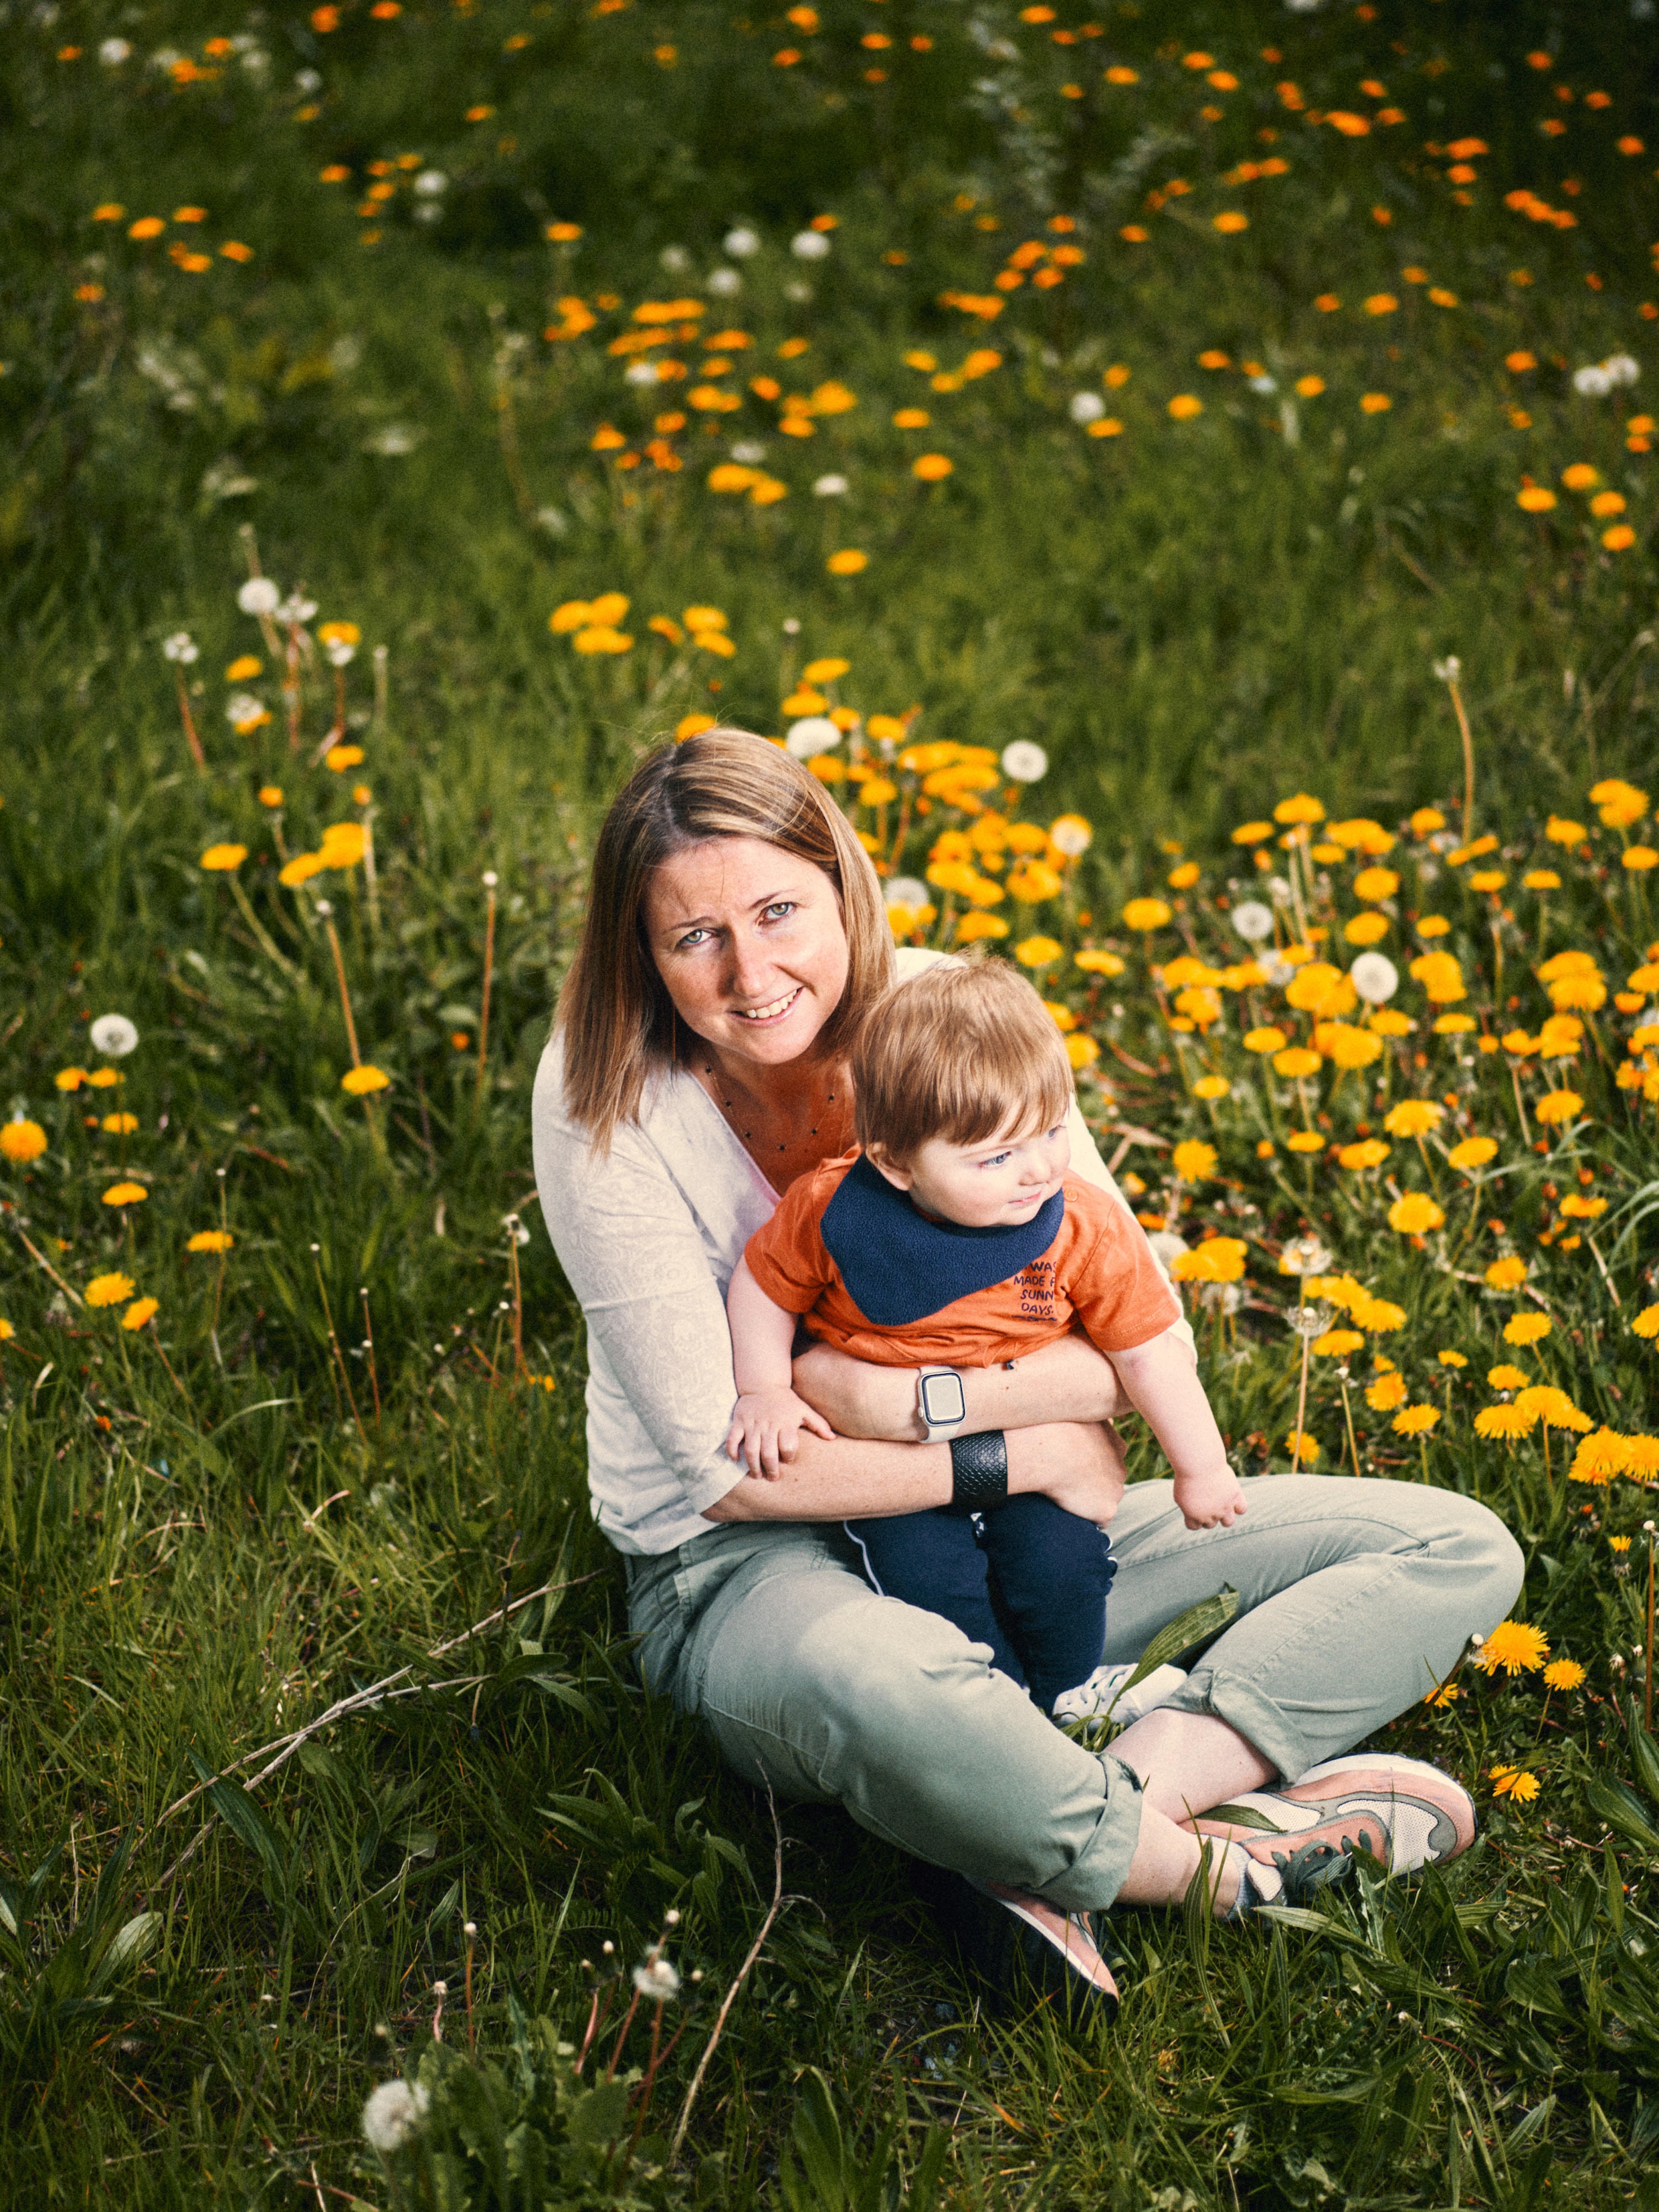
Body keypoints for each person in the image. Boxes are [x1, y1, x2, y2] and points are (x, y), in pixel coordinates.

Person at [533, 727, 1523, 2012]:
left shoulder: (957, 1015)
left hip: (1023, 1528)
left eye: (779, 910)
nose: (752, 970)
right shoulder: (605, 1097)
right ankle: (1223, 1868)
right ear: (643, 955)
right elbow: (727, 1475)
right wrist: (1009, 1441)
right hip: (745, 1565)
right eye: (694, 938)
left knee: (1455, 1548)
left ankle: (1064, 1799)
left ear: (842, 881)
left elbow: (1117, 1337)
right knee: (883, 1681)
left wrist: (887, 1402)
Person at [724, 957, 1245, 1722]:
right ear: (894, 1163)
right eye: (994, 1157)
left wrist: (1200, 1466)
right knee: (925, 1577)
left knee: (1057, 1565)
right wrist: (763, 1388)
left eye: (1050, 1131)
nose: (1035, 1169)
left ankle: (1069, 1685)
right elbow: (763, 1285)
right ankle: (994, 1708)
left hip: (1034, 1441)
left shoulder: (1079, 1225)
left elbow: (1146, 1351)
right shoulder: (833, 1213)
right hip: (891, 1461)